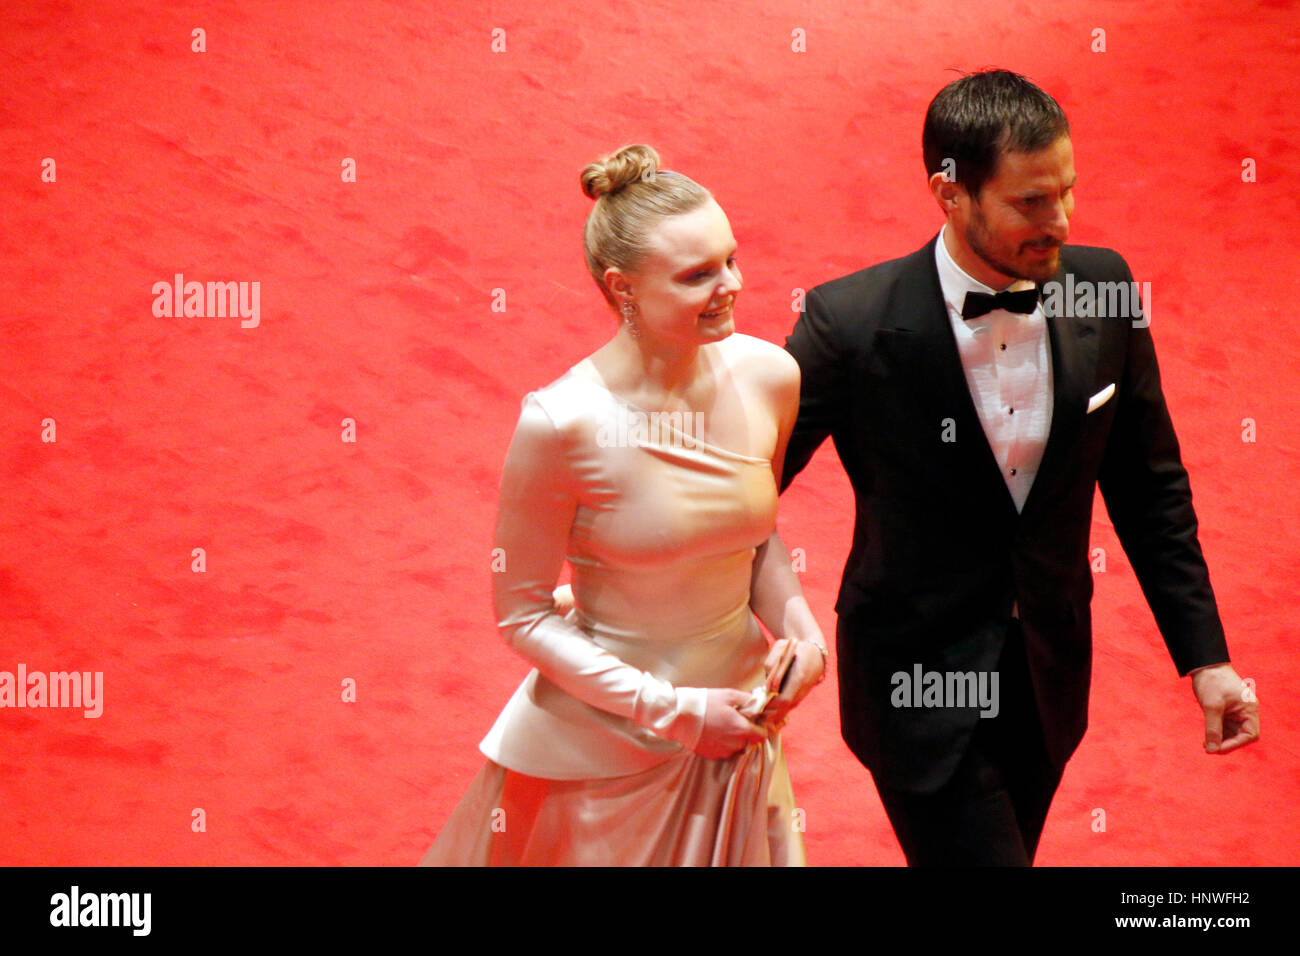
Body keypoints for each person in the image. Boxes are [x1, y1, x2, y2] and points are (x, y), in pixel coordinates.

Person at [781, 69, 1259, 866]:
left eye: (1067, 191)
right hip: (914, 691)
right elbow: (744, 486)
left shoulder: (1102, 290)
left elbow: (1150, 490)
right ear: (949, 192)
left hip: (1045, 682)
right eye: (1030, 203)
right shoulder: (849, 325)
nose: (1061, 222)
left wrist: (1206, 658)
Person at [421, 144, 827, 866]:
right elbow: (522, 614)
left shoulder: (771, 376)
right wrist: (675, 712)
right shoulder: (559, 423)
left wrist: (802, 632)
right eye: (698, 274)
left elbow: (750, 537)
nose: (731, 284)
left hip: (738, 732)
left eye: (731, 259)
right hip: (605, 757)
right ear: (623, 287)